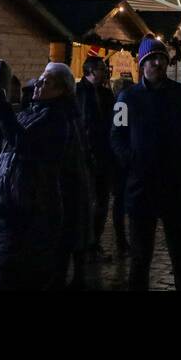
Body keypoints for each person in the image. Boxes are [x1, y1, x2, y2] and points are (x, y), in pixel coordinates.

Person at [0, 61, 91, 290]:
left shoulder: (58, 120)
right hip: (9, 206)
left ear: (61, 91)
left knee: (16, 274)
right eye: (40, 79)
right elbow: (2, 138)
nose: (38, 84)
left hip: (30, 214)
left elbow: (23, 142)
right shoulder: (33, 112)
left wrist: (1, 103)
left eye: (46, 82)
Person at [111, 36, 181, 290]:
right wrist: (132, 160)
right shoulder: (126, 98)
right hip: (142, 185)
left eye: (160, 59)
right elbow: (117, 135)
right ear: (142, 64)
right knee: (140, 255)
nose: (156, 64)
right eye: (151, 59)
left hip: (175, 184)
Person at [77, 56, 115, 259]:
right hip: (84, 155)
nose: (105, 72)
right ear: (90, 71)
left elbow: (116, 120)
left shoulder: (107, 94)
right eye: (101, 69)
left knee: (101, 201)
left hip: (103, 155)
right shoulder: (78, 93)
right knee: (86, 202)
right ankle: (83, 245)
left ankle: (94, 242)